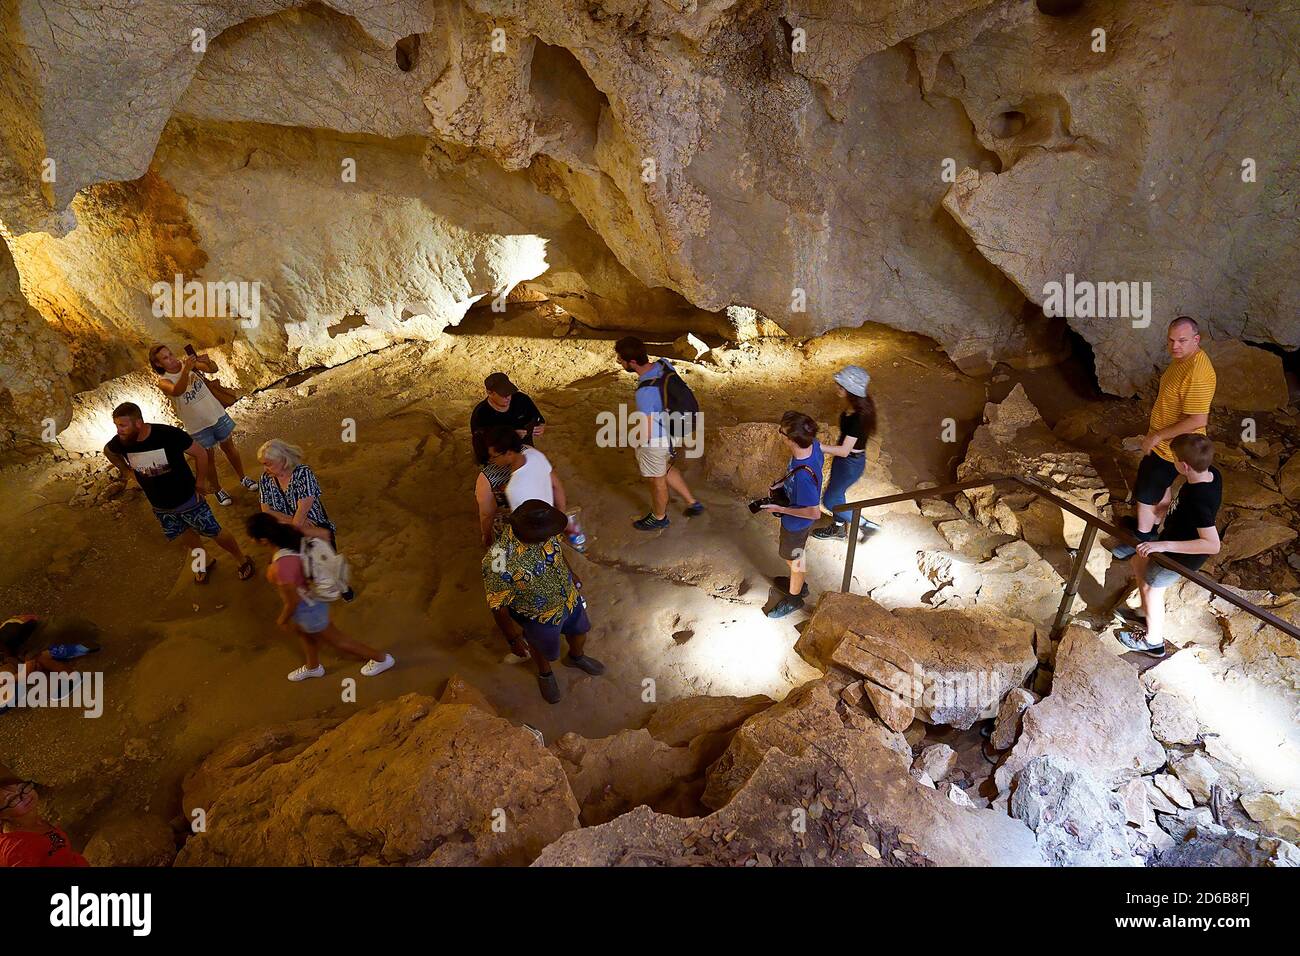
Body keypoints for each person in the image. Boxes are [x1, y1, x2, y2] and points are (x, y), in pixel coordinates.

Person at [104, 402, 254, 584]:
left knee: (215, 532)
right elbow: (109, 451)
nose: (119, 430)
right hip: (160, 505)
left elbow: (200, 454)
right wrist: (127, 471)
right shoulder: (122, 441)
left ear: (138, 423)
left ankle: (241, 559)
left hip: (188, 499)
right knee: (187, 536)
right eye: (117, 426)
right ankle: (203, 562)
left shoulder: (167, 435)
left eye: (122, 425)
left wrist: (199, 483)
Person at [245, 513, 393, 682]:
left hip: (308, 607)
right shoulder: (291, 534)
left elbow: (292, 601)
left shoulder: (279, 568)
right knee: (305, 634)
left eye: (252, 538)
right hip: (314, 597)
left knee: (338, 641)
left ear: (263, 540)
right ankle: (312, 667)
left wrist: (282, 619)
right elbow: (324, 534)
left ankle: (381, 659)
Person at [1112, 317, 1216, 559]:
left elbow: (1198, 419)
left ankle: (1141, 538)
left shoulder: (1198, 371)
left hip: (1172, 447)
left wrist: (1158, 436)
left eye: (1181, 340)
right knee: (1160, 487)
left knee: (1146, 493)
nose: (1174, 346)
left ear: (1196, 340)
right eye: (1171, 340)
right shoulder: (1184, 360)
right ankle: (1153, 526)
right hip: (1169, 444)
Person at [482, 499, 605, 703]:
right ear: (529, 533)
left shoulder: (545, 531)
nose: (552, 536)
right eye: (547, 534)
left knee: (581, 630)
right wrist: (513, 639)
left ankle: (576, 657)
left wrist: (571, 573)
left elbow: (556, 551)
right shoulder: (499, 560)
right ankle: (545, 674)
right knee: (541, 647)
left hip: (568, 598)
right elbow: (498, 606)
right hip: (538, 615)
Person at [1116, 435, 1222, 658]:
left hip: (1177, 556)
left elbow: (1212, 545)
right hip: (1171, 542)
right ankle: (1147, 613)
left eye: (1174, 459)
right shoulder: (1212, 475)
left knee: (1152, 588)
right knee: (1138, 562)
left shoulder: (1199, 498)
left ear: (1184, 466)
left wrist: (1162, 545)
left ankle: (1153, 642)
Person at [149, 343, 256, 506]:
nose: (171, 358)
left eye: (170, 354)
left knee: (230, 448)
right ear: (158, 364)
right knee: (208, 458)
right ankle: (218, 489)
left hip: (216, 414)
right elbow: (177, 391)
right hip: (197, 425)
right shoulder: (163, 381)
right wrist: (186, 370)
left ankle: (243, 477)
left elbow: (213, 370)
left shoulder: (187, 364)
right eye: (165, 358)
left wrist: (207, 361)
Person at [614, 335, 703, 530]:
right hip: (679, 426)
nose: (618, 362)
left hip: (657, 438)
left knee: (656, 479)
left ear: (633, 362)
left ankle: (659, 517)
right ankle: (691, 502)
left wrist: (637, 442)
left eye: (621, 359)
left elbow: (646, 429)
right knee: (664, 466)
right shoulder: (664, 365)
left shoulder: (645, 392)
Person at [762, 412, 824, 619]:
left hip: (796, 524)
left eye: (783, 432)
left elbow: (814, 512)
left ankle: (795, 596)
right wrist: (783, 483)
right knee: (792, 556)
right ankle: (797, 583)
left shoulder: (804, 478)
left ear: (792, 440)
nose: (780, 434)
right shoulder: (812, 446)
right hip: (795, 514)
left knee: (794, 559)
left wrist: (780, 509)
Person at [812, 365, 880, 541]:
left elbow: (844, 451)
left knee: (829, 501)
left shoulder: (858, 418)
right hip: (847, 462)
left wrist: (818, 447)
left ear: (850, 390)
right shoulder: (856, 409)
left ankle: (865, 525)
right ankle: (838, 529)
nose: (837, 388)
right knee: (837, 495)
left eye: (840, 386)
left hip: (849, 463)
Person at [0, 770, 88, 867]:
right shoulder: (17, 849)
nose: (24, 796)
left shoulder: (34, 819)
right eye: (12, 799)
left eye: (22, 787)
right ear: (2, 815)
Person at [483, 426, 568, 513]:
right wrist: (561, 516)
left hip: (537, 524)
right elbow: (557, 487)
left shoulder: (513, 489)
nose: (491, 460)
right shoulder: (534, 454)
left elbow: (523, 523)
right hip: (551, 516)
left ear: (509, 453)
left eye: (494, 456)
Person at [470, 372, 545, 465]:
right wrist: (511, 436)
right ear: (490, 393)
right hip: (498, 458)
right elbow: (480, 445)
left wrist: (540, 427)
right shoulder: (481, 414)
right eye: (503, 395)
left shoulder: (522, 400)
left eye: (509, 393)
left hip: (523, 449)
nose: (508, 397)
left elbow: (538, 419)